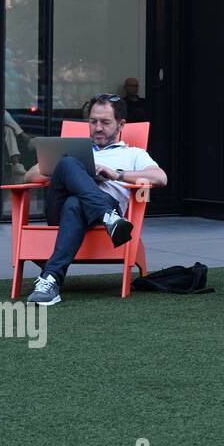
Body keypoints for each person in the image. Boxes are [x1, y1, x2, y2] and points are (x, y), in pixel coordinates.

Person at [23, 94, 169, 306]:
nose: (98, 128)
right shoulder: (74, 149)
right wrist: (73, 171)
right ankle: (109, 217)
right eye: (93, 122)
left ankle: (51, 279)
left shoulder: (133, 154)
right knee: (68, 164)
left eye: (105, 122)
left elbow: (160, 178)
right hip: (62, 211)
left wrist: (116, 174)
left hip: (93, 208)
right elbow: (30, 176)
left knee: (75, 203)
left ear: (121, 124)